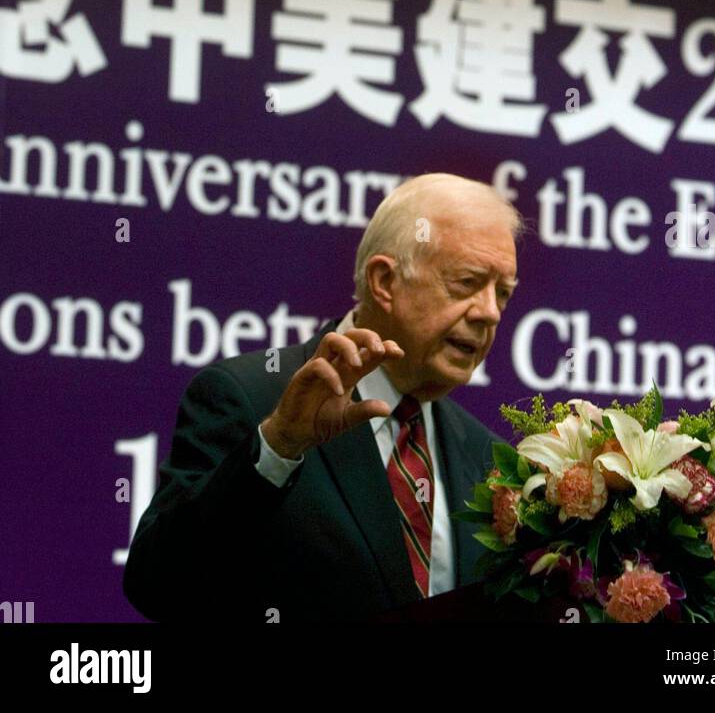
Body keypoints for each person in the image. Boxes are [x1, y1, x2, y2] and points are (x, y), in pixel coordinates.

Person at [123, 174, 521, 622]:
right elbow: (157, 585)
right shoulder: (252, 400)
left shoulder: (486, 456)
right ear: (385, 281)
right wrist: (278, 448)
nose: (489, 311)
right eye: (467, 282)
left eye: (503, 293)